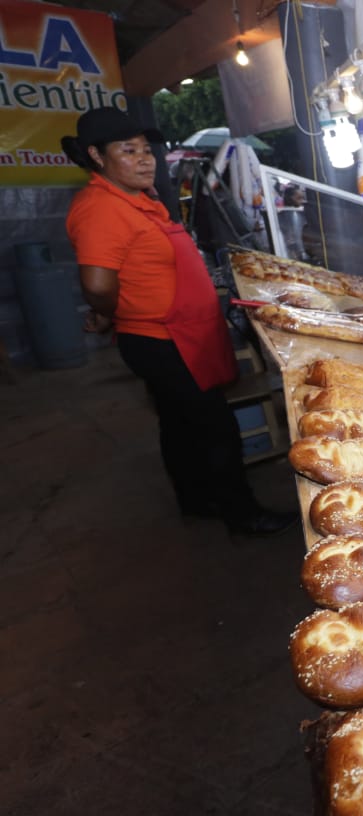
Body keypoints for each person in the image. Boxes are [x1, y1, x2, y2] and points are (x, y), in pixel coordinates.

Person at [61, 107, 294, 536]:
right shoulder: (100, 208)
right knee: (216, 427)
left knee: (179, 422)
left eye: (146, 149)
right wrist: (111, 310)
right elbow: (96, 283)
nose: (145, 158)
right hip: (163, 337)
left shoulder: (136, 200)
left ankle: (195, 498)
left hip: (180, 331)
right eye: (128, 150)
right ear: (96, 156)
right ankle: (243, 515)